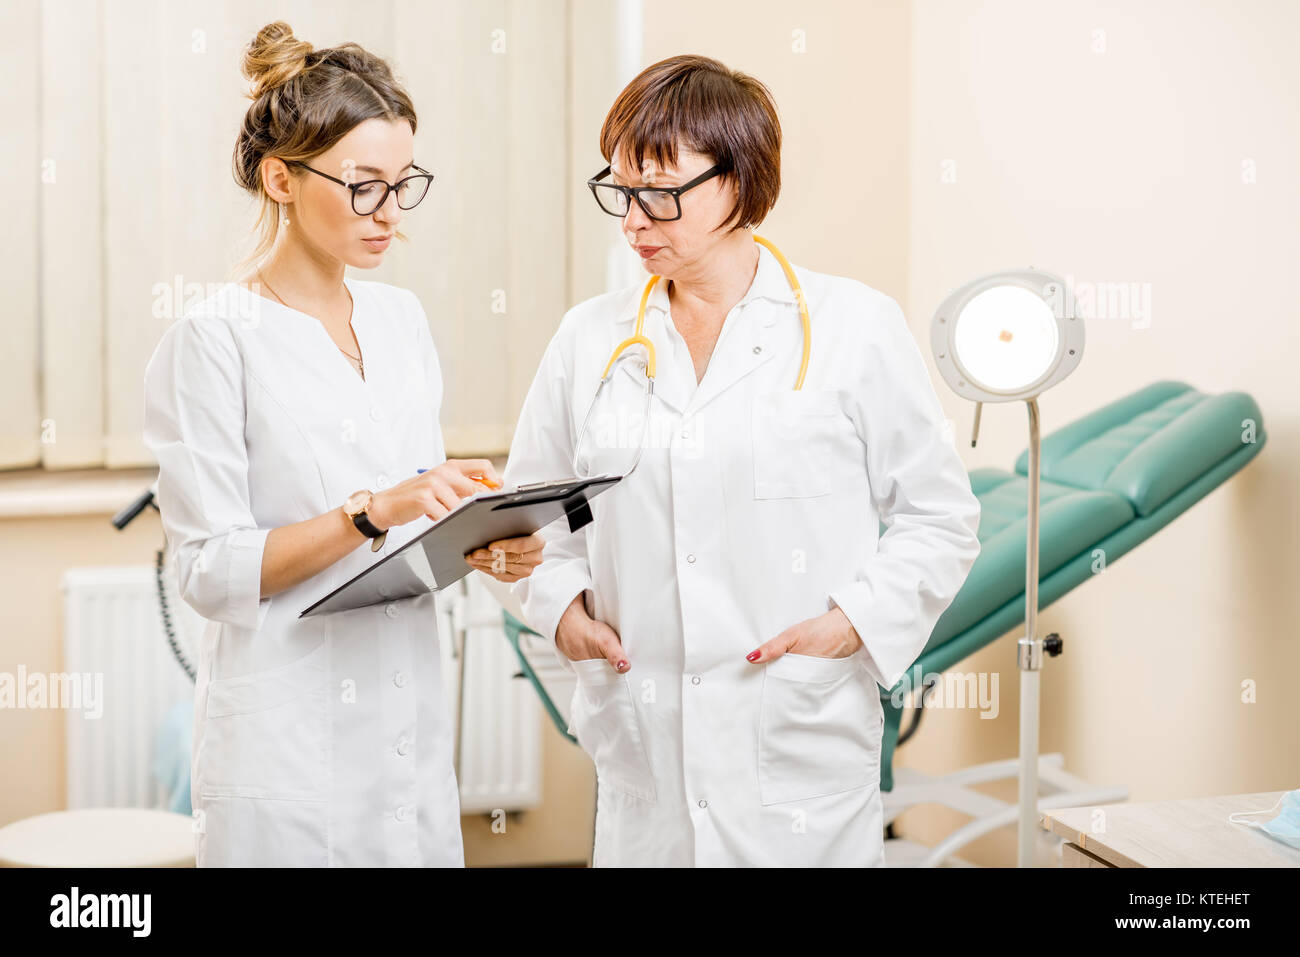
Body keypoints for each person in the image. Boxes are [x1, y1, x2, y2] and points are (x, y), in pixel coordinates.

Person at [502, 54, 981, 866]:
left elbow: (941, 518)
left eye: (660, 193)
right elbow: (527, 522)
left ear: (740, 179)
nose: (632, 220)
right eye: (620, 191)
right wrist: (560, 610)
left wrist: (851, 625)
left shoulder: (854, 327)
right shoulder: (588, 339)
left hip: (799, 755)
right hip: (643, 750)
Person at [142, 21, 543, 867]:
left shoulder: (401, 322)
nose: (390, 214)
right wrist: (370, 510)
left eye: (404, 185)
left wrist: (478, 537)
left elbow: (413, 529)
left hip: (405, 731)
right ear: (279, 177)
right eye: (363, 186)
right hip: (287, 747)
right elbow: (210, 570)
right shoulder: (214, 340)